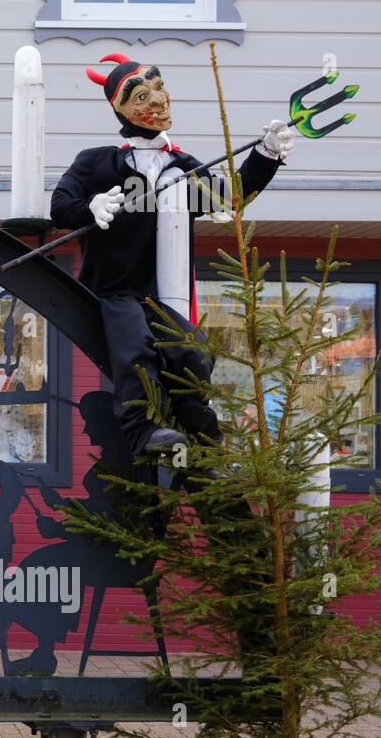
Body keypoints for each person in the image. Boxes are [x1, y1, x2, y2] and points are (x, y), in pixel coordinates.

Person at [50, 53, 294, 456]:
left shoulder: (182, 168)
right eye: (141, 95)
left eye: (159, 87)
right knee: (134, 348)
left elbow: (230, 197)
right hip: (112, 290)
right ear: (121, 109)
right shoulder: (97, 162)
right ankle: (142, 430)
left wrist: (265, 156)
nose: (158, 101)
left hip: (160, 296)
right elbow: (61, 205)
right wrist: (90, 207)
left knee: (191, 351)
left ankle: (204, 445)